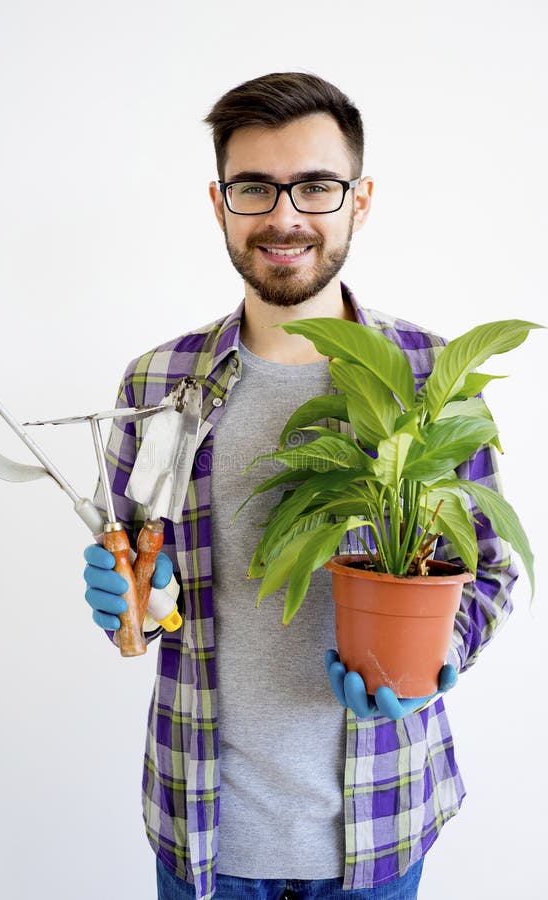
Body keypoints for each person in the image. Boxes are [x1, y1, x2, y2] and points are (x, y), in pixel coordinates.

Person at [82, 73, 517, 900]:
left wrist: (437, 655)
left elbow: (490, 566)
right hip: (202, 827)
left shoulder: (432, 376)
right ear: (220, 203)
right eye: (255, 187)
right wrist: (129, 602)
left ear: (360, 199)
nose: (285, 217)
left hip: (382, 824)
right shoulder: (156, 380)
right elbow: (148, 584)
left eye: (315, 186)